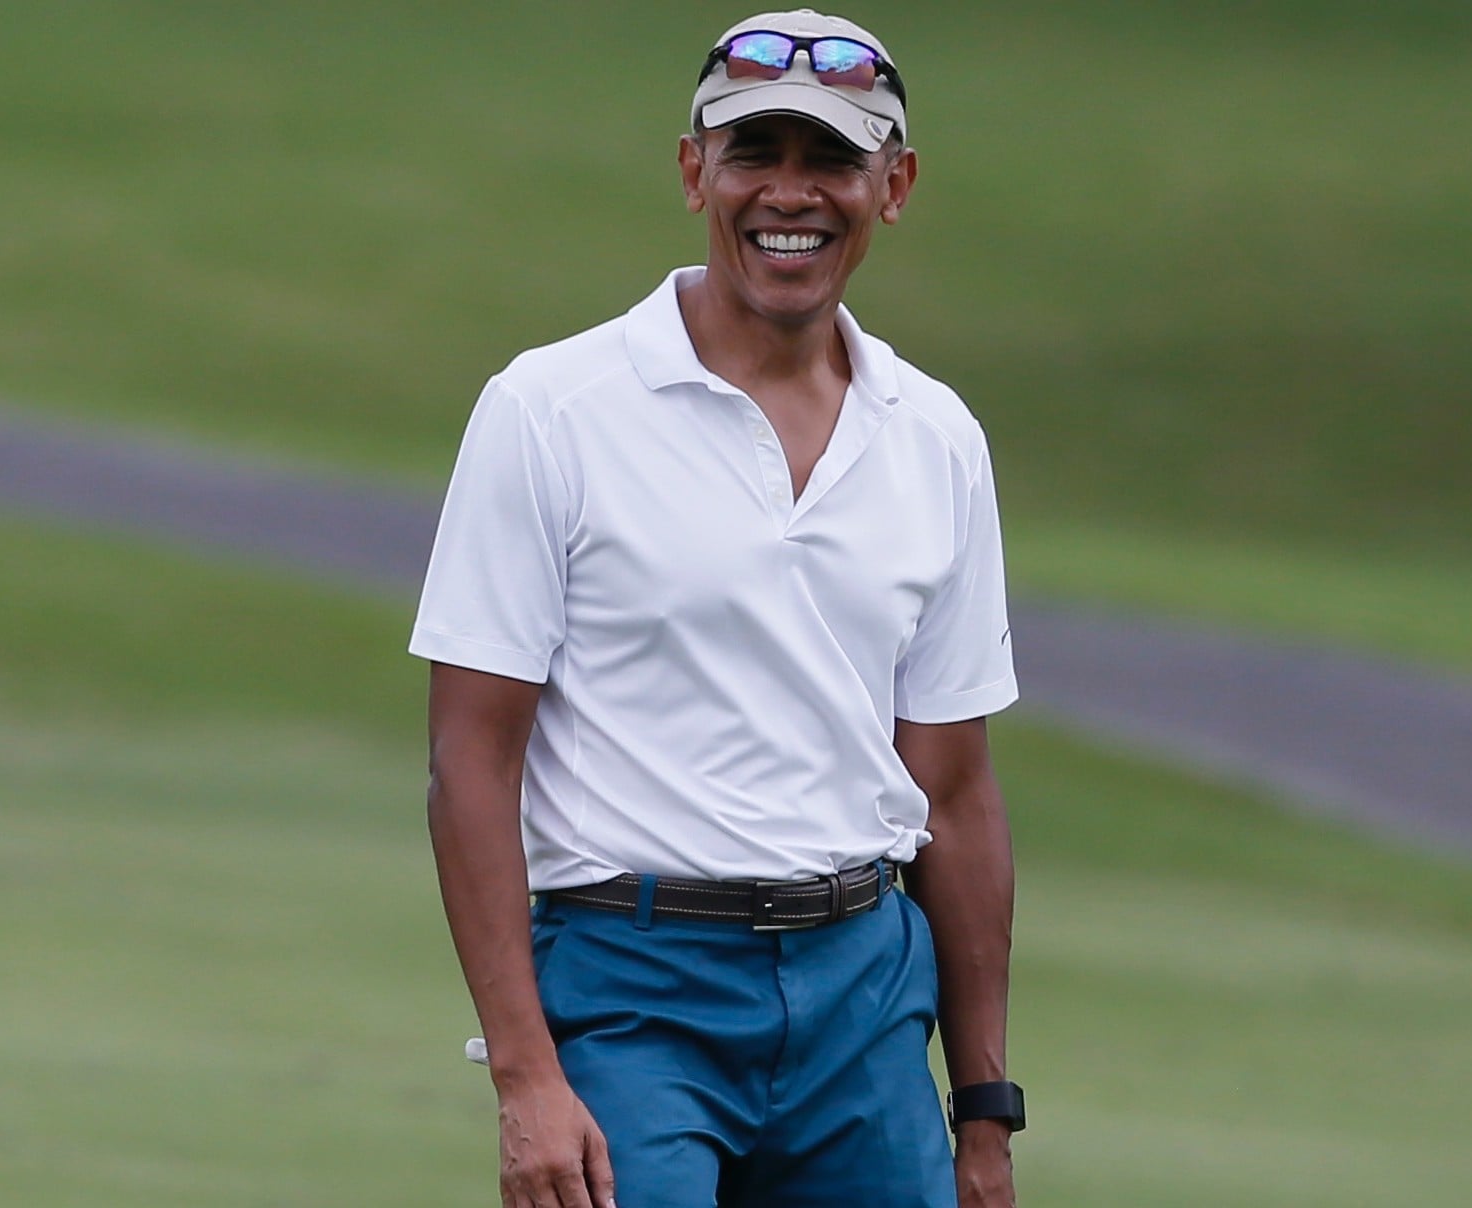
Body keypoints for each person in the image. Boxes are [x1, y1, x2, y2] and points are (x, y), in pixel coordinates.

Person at [411, 10, 1022, 1207]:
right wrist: (526, 1080)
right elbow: (469, 761)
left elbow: (952, 789)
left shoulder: (934, 436)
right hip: (631, 988)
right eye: (753, 154)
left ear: (890, 186)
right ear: (696, 170)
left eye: (830, 160)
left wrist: (985, 1108)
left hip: (862, 993)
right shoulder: (551, 407)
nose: (787, 193)